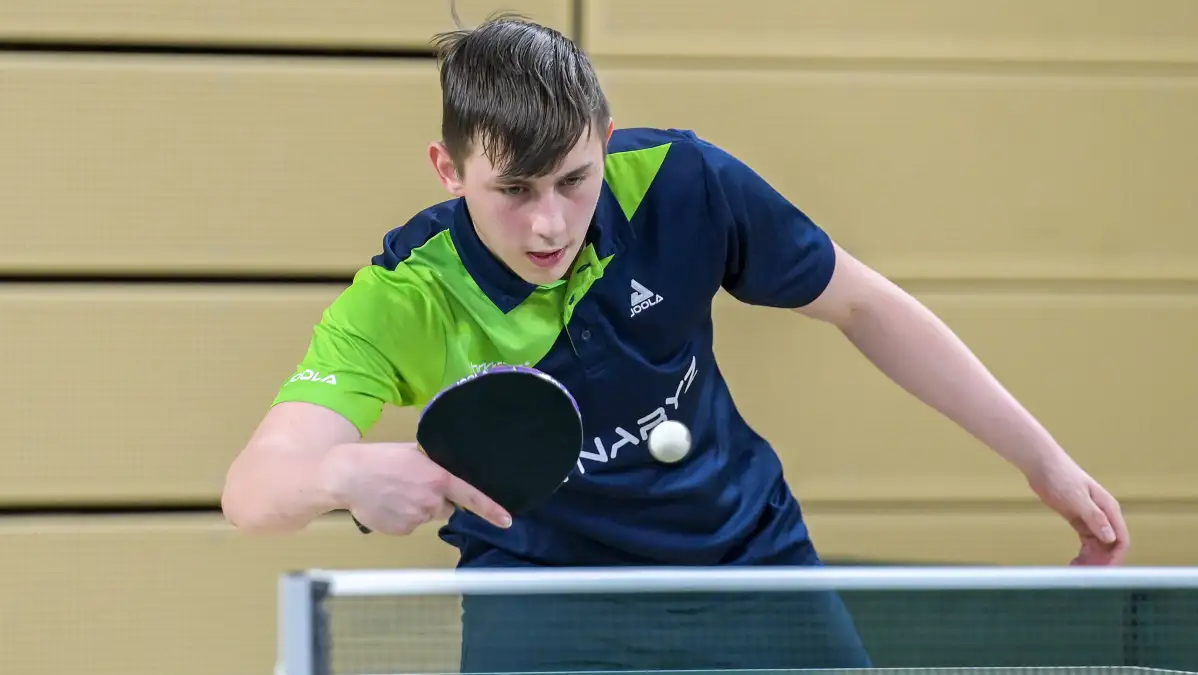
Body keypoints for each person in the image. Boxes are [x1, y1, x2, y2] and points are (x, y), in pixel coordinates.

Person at [222, 14, 1130, 673]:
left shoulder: (680, 183)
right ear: (448, 169)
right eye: (514, 190)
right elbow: (254, 488)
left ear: (606, 145)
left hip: (748, 562)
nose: (549, 224)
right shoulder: (408, 295)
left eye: (574, 180)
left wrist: (1041, 460)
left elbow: (867, 307)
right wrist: (341, 477)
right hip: (542, 601)